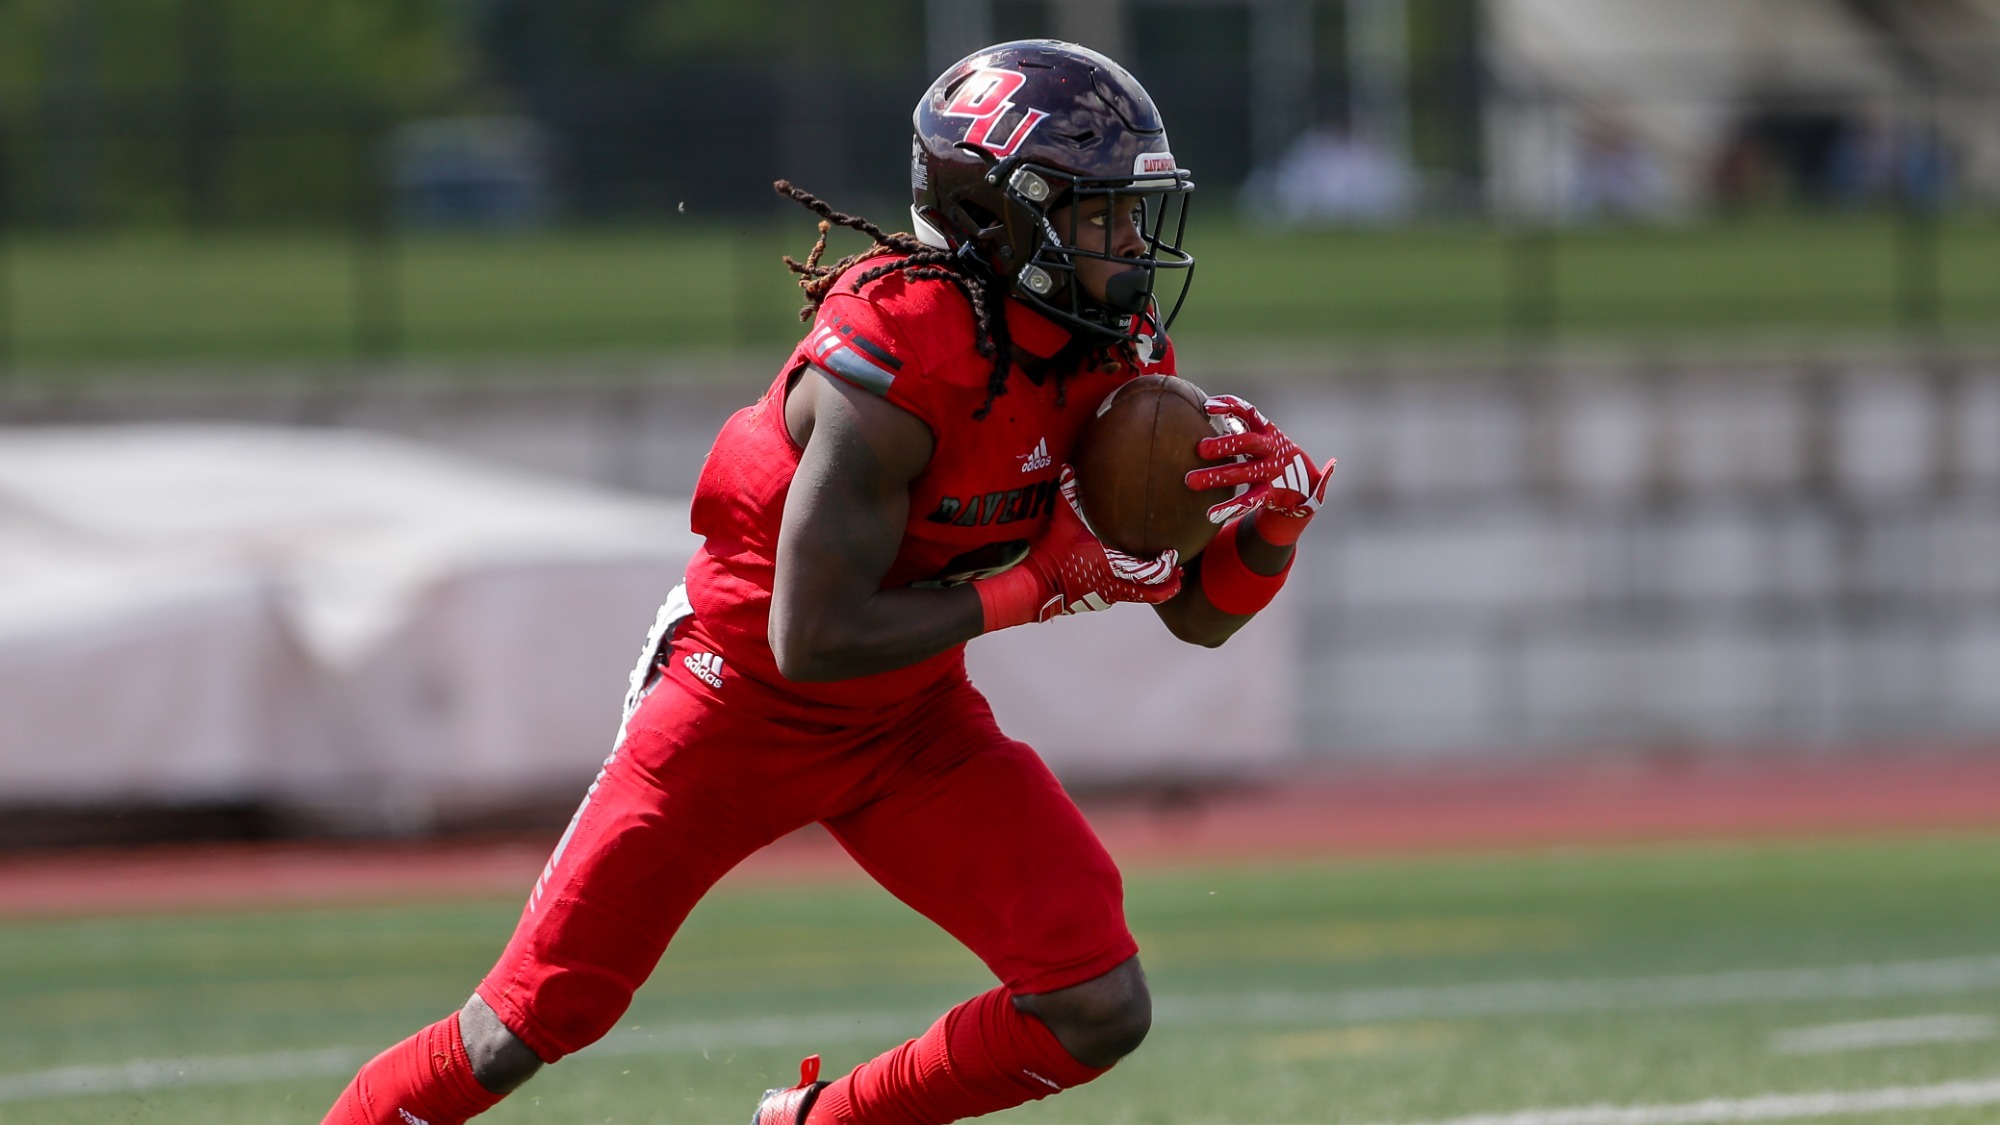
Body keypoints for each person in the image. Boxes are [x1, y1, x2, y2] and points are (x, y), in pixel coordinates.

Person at [321, 39, 1334, 1125]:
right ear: (1000, 217)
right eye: (1101, 213)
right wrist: (1038, 584)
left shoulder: (1111, 358)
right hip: (732, 704)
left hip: (908, 723)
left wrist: (1270, 523)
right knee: (524, 1026)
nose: (1131, 244)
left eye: (1133, 212)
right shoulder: (892, 359)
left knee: (1094, 1001)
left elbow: (1193, 617)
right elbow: (814, 637)